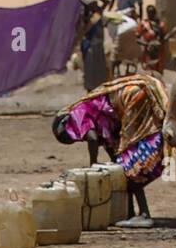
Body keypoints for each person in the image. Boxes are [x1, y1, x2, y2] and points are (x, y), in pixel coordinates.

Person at [52, 73, 168, 228]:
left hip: (132, 98)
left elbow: (92, 138)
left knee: (130, 164)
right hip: (135, 93)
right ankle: (131, 213)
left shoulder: (77, 114)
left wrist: (93, 163)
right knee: (125, 164)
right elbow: (111, 143)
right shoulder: (95, 112)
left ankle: (144, 214)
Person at [79, 0, 109, 90]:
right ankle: (90, 89)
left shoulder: (98, 13)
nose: (97, 5)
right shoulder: (86, 18)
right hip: (90, 47)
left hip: (98, 46)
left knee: (100, 70)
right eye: (94, 4)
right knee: (90, 70)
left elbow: (107, 1)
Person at [136, 5, 168, 72]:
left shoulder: (161, 24)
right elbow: (136, 38)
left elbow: (164, 37)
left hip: (159, 52)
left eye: (153, 12)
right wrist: (147, 44)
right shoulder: (143, 24)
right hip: (148, 52)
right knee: (149, 71)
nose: (151, 14)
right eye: (150, 13)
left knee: (159, 72)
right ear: (147, 13)